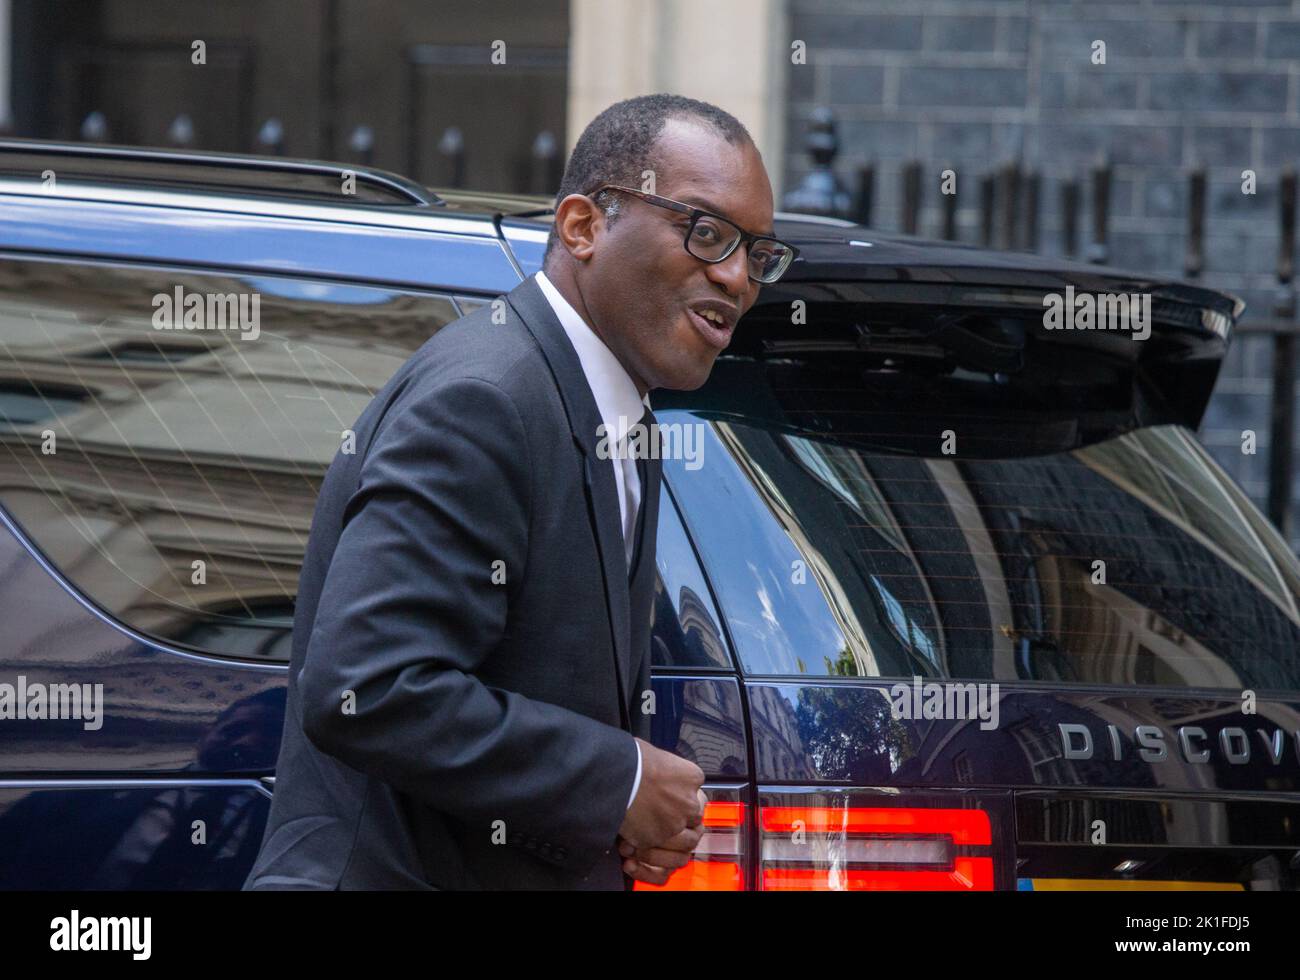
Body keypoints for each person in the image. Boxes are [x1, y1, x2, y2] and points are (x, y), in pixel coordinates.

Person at [243, 92, 784, 889]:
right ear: (582, 226)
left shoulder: (621, 415)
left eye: (759, 254)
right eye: (705, 232)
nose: (737, 278)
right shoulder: (486, 399)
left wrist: (613, 822)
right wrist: (618, 785)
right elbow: (369, 685)